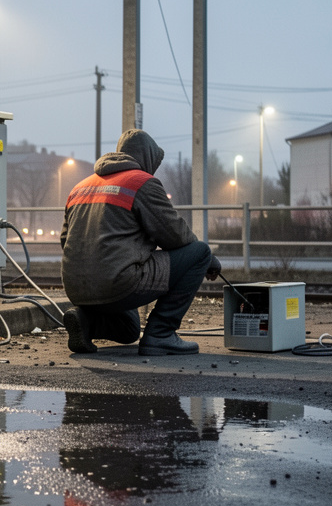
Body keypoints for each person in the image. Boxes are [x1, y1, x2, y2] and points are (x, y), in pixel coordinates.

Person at [59, 129, 220, 355]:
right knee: (200, 252)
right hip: (117, 283)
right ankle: (161, 334)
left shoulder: (81, 186)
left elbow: (65, 240)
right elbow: (175, 236)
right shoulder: (141, 182)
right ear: (147, 157)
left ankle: (86, 321)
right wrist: (209, 260)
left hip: (76, 288)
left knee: (130, 329)